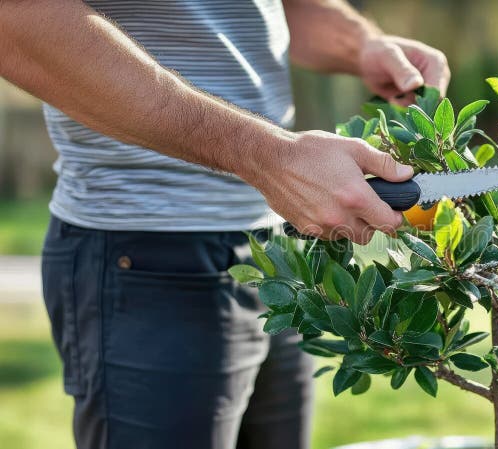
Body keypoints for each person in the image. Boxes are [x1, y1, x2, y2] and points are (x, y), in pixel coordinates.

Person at [0, 1, 450, 448]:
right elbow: (15, 19)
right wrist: (266, 155)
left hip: (277, 256)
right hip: (146, 251)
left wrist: (360, 45)